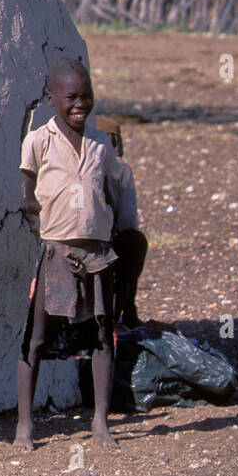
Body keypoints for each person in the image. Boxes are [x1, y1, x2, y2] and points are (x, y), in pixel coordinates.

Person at [16, 58, 121, 452]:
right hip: (58, 250)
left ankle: (100, 421)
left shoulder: (100, 144)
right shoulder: (39, 141)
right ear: (50, 99)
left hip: (97, 252)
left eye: (86, 96)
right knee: (36, 338)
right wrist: (43, 209)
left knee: (101, 336)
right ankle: (24, 425)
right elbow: (26, 192)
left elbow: (106, 194)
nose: (80, 104)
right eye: (71, 97)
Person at [94, 115, 147, 327]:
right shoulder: (121, 168)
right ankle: (128, 308)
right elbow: (128, 219)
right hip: (107, 240)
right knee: (134, 242)